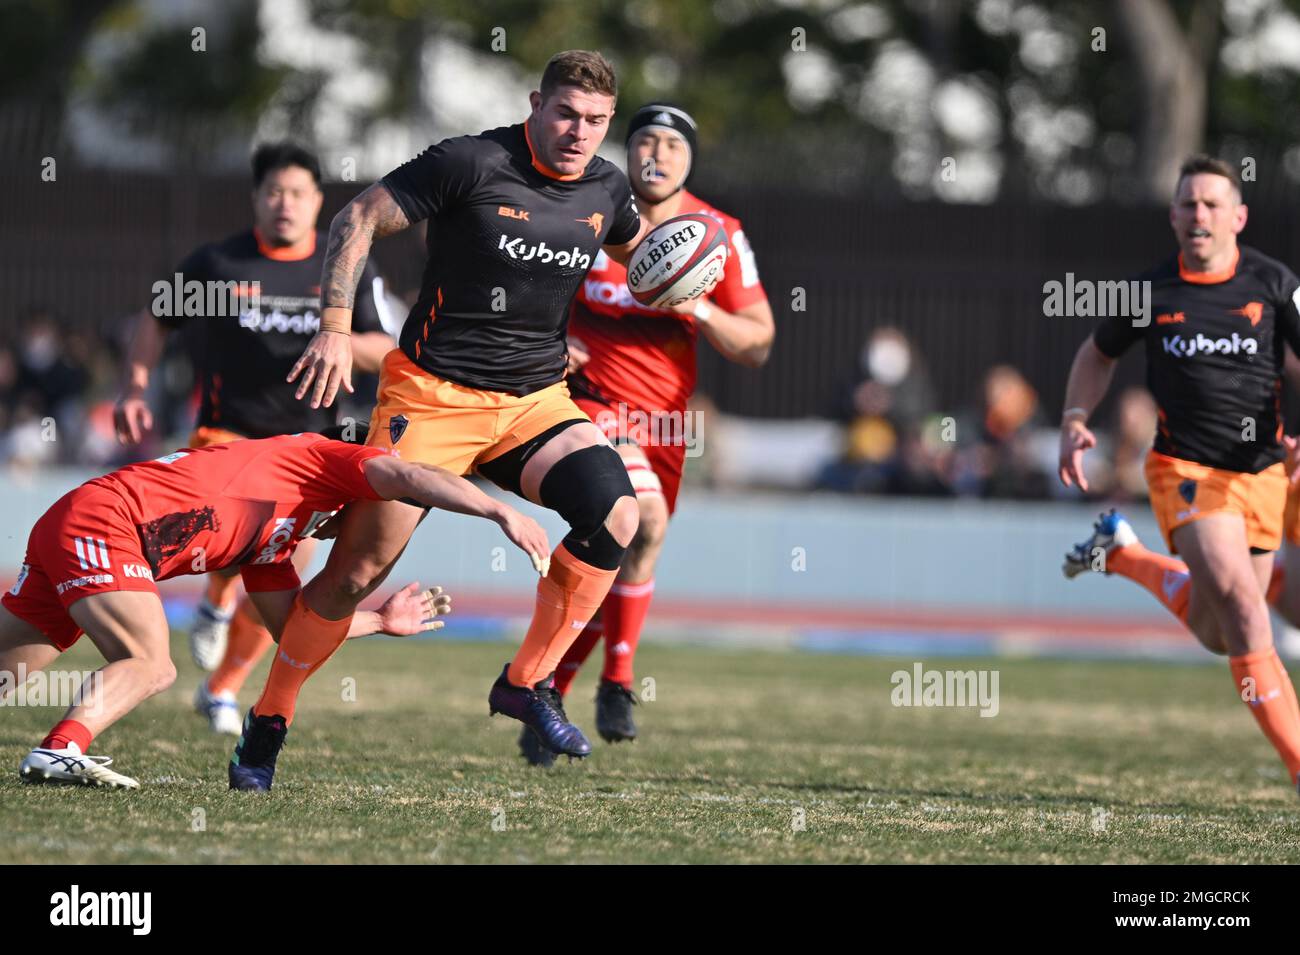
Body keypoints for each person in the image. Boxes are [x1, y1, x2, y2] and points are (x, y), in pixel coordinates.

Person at [227, 50, 722, 789]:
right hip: (431, 396)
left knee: (617, 515)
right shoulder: (471, 161)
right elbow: (356, 217)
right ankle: (266, 725)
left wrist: (676, 279)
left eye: (594, 121)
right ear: (535, 103)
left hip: (533, 402)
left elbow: (634, 255)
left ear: (608, 123)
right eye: (564, 113)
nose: (578, 131)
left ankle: (525, 681)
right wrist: (334, 324)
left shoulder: (608, 188)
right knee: (355, 572)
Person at [0, 428, 548, 789]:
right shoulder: (325, 458)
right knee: (150, 663)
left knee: (17, 658)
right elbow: (409, 476)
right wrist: (497, 511)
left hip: (78, 519)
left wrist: (379, 621)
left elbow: (293, 630)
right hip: (108, 521)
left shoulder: (274, 545)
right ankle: (60, 749)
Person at [113, 142, 394, 734]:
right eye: (273, 192)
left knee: (290, 572)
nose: (284, 204)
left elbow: (381, 349)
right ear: (256, 199)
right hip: (228, 433)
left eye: (297, 193)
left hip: (308, 446)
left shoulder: (345, 268)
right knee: (236, 536)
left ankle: (222, 689)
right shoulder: (219, 263)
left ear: (318, 201)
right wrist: (135, 390)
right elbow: (154, 319)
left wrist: (334, 335)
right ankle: (216, 600)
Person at [529, 102, 773, 763]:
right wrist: (556, 340)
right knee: (642, 523)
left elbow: (758, 343)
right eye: (643, 142)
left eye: (671, 144)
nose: (655, 155)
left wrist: (698, 309)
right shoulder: (587, 212)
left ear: (690, 158)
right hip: (586, 405)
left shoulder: (718, 234)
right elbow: (525, 296)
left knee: (627, 556)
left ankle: (551, 689)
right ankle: (616, 682)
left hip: (664, 421)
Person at [1061, 154, 1300, 795]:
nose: (1199, 215)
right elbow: (1096, 352)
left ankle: (1126, 556)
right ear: (1172, 217)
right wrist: (1076, 415)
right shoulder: (1148, 291)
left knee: (1219, 633)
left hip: (1261, 474)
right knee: (1250, 619)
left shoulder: (1274, 285)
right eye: (1188, 204)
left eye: (1212, 205)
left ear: (1238, 217)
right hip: (1185, 471)